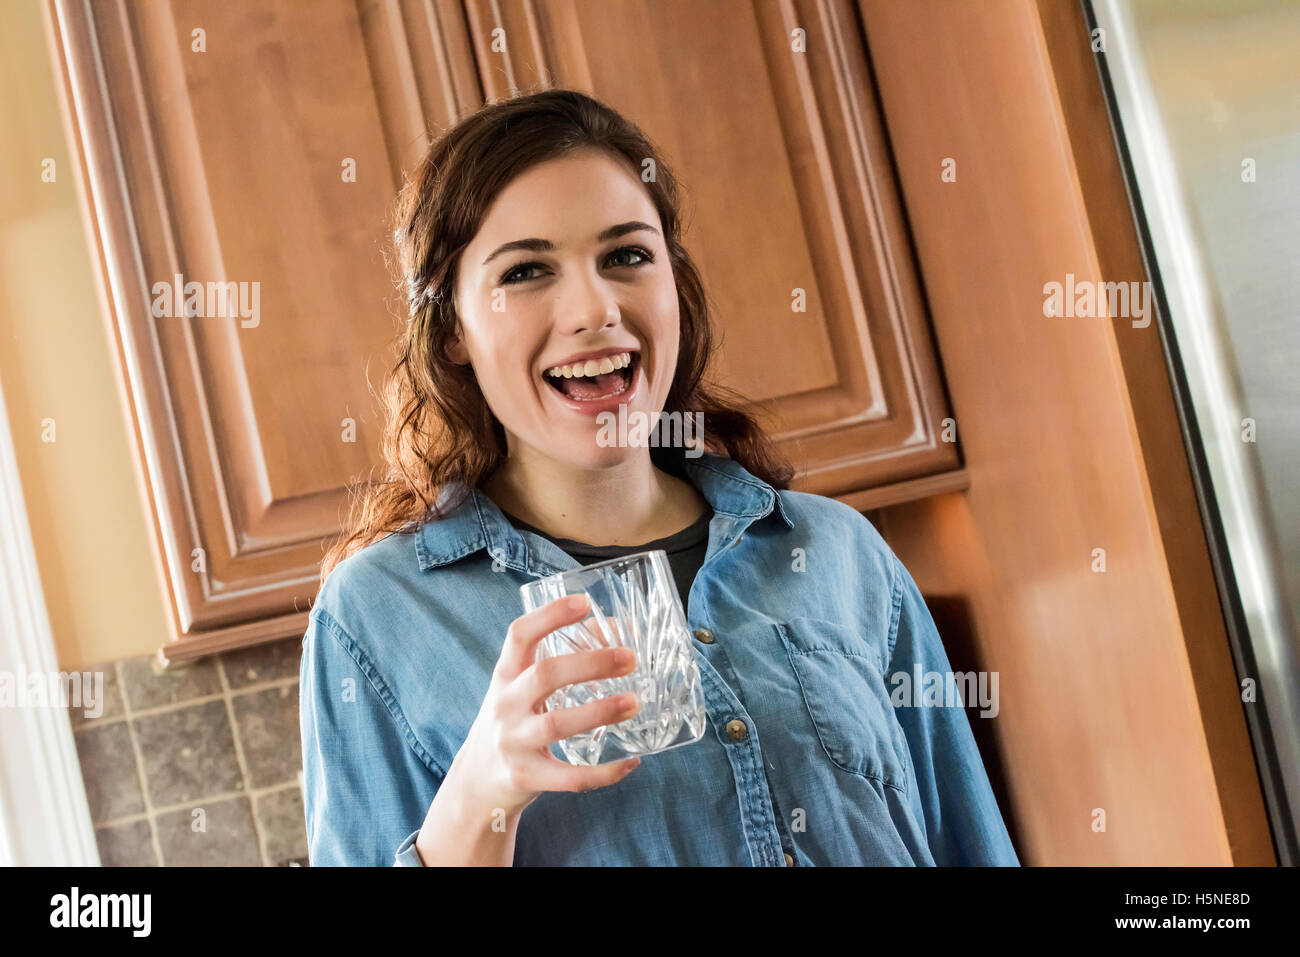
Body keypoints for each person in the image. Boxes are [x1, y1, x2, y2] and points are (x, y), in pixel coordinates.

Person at [299, 88, 1018, 867]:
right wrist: (479, 796)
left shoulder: (836, 553)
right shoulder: (377, 616)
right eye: (527, 270)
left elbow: (971, 844)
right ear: (452, 335)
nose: (594, 307)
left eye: (626, 256)